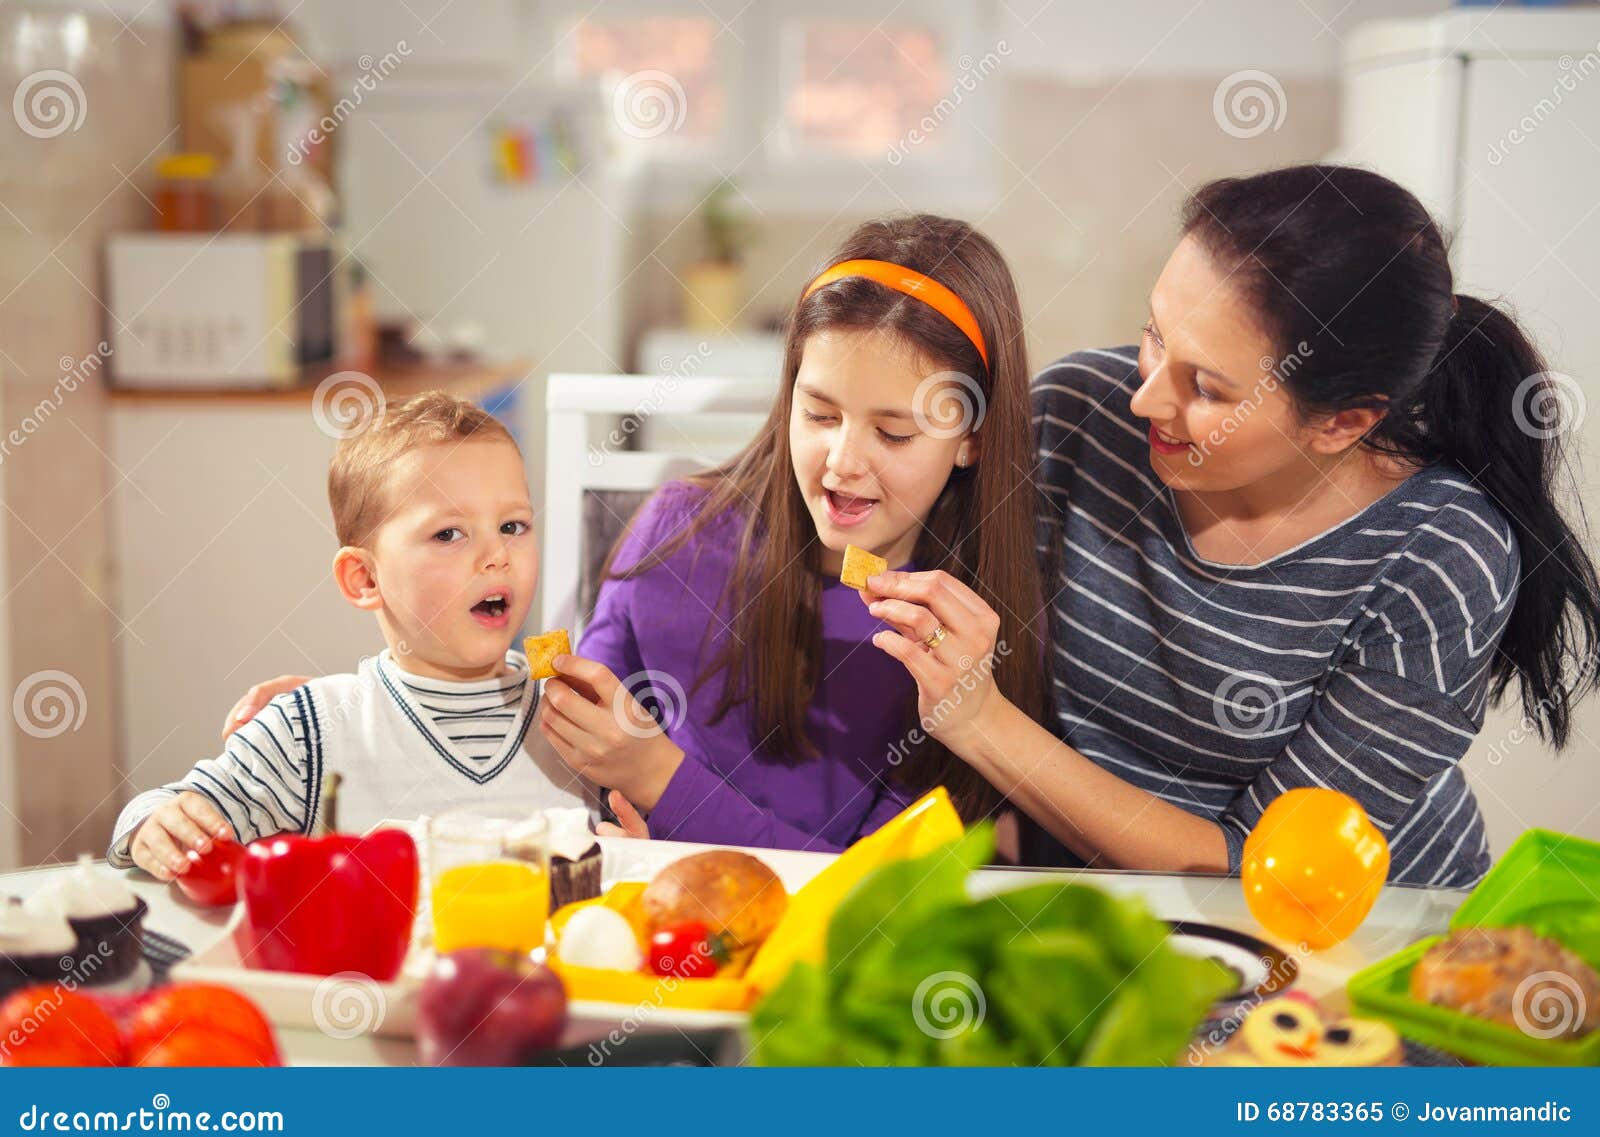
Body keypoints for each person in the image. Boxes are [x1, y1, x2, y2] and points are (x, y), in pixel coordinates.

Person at [864, 165, 1600, 886]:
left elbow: (1262, 863)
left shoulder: (1440, 553)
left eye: (1208, 387)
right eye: (1154, 335)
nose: (1144, 399)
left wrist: (982, 723)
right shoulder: (1075, 417)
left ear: (1343, 421)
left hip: (1356, 931)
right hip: (1112, 900)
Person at [223, 215, 1049, 853]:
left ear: (971, 435)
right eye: (819, 412)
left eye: (895, 434)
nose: (842, 463)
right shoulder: (680, 533)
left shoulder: (964, 641)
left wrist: (662, 777)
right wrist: (369, 707)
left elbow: (880, 906)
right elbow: (562, 721)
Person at [109, 391, 587, 879]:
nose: (497, 554)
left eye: (513, 525)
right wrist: (155, 823)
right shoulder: (310, 730)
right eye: (449, 534)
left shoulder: (580, 720)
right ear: (365, 579)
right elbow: (167, 807)